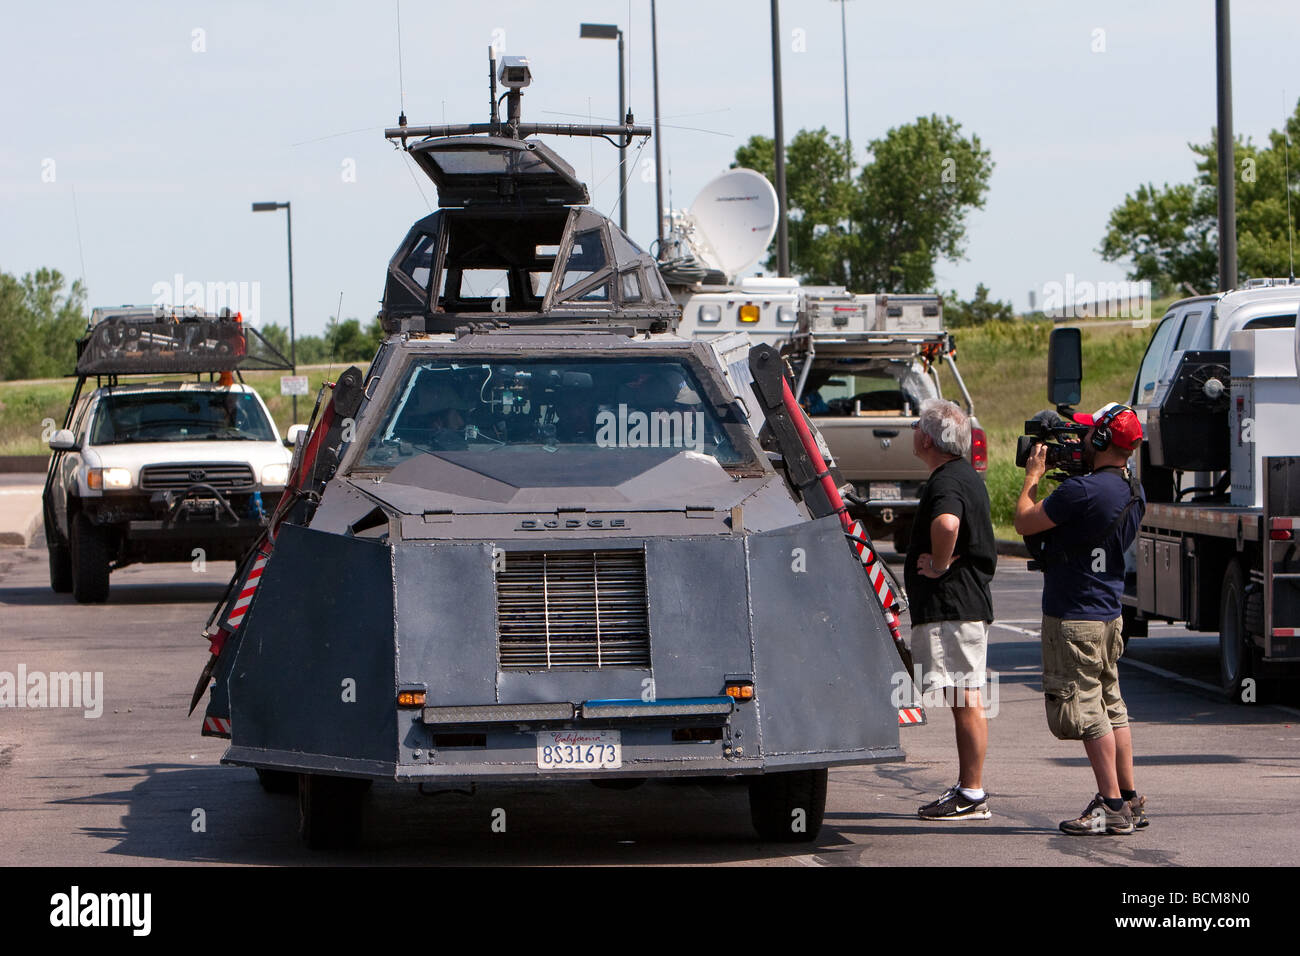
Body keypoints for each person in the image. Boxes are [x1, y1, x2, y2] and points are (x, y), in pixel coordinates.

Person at [1014, 402, 1148, 836]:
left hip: (1075, 617)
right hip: (1108, 614)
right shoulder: (1132, 490)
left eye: (1091, 433)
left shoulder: (1081, 492)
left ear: (1105, 440)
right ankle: (1128, 799)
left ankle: (1111, 807)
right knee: (1112, 707)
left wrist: (1033, 477)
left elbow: (1023, 522)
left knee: (1087, 712)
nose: (1082, 439)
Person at [905, 398, 997, 820]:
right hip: (961, 606)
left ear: (927, 438)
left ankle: (972, 792)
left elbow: (947, 524)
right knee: (966, 698)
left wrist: (940, 564)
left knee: (966, 700)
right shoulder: (963, 475)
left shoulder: (946, 482)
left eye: (916, 428)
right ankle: (969, 788)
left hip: (953, 607)